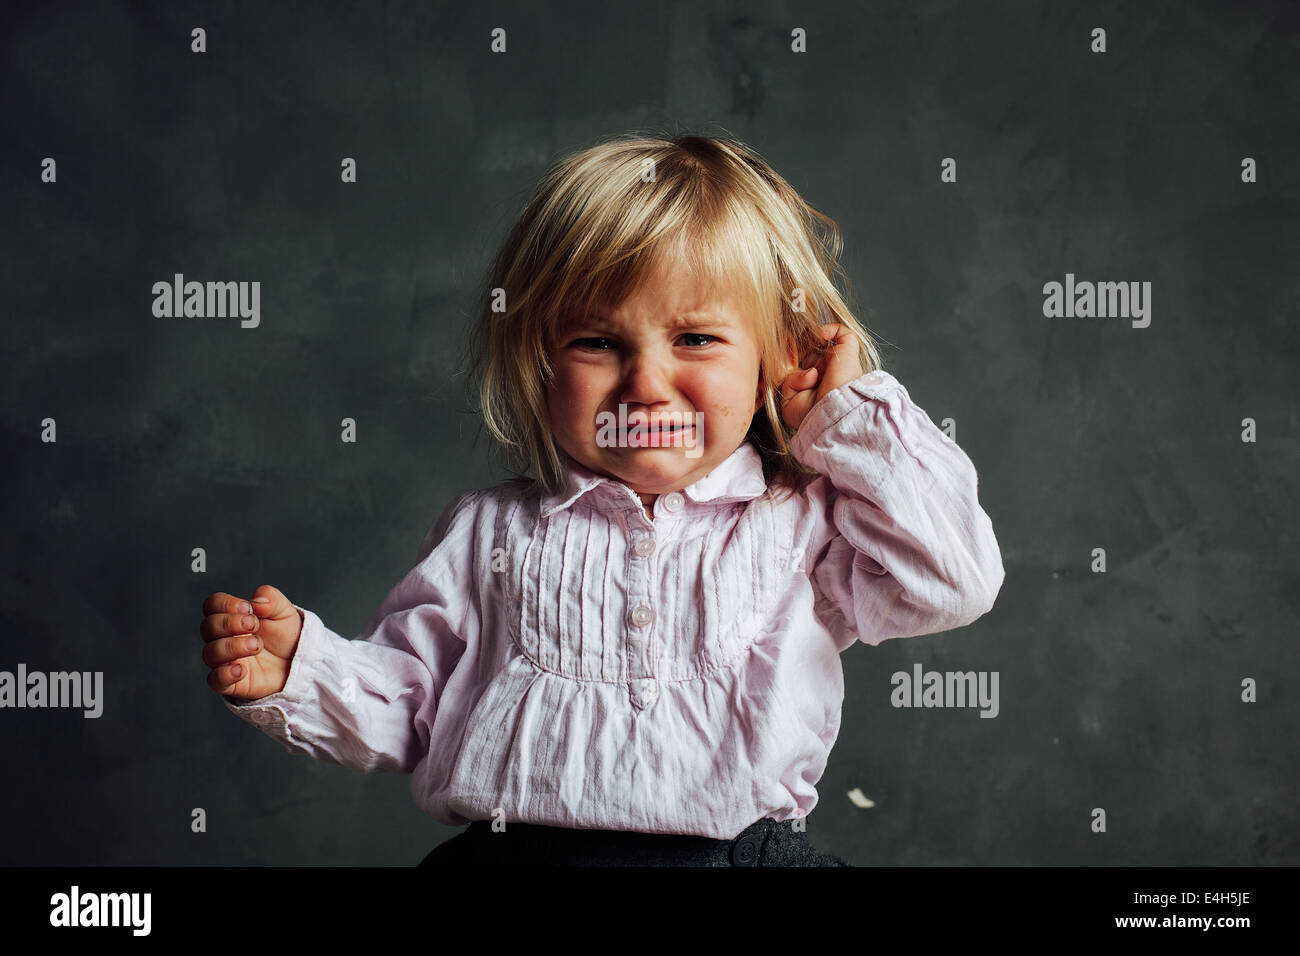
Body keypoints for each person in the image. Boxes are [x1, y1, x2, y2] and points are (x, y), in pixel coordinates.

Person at [199, 133, 1006, 866]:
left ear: (778, 355)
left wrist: (849, 412)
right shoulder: (490, 531)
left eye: (695, 338)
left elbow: (953, 579)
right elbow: (413, 705)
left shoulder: (803, 521)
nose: (647, 384)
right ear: (539, 360)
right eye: (597, 342)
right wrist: (302, 671)